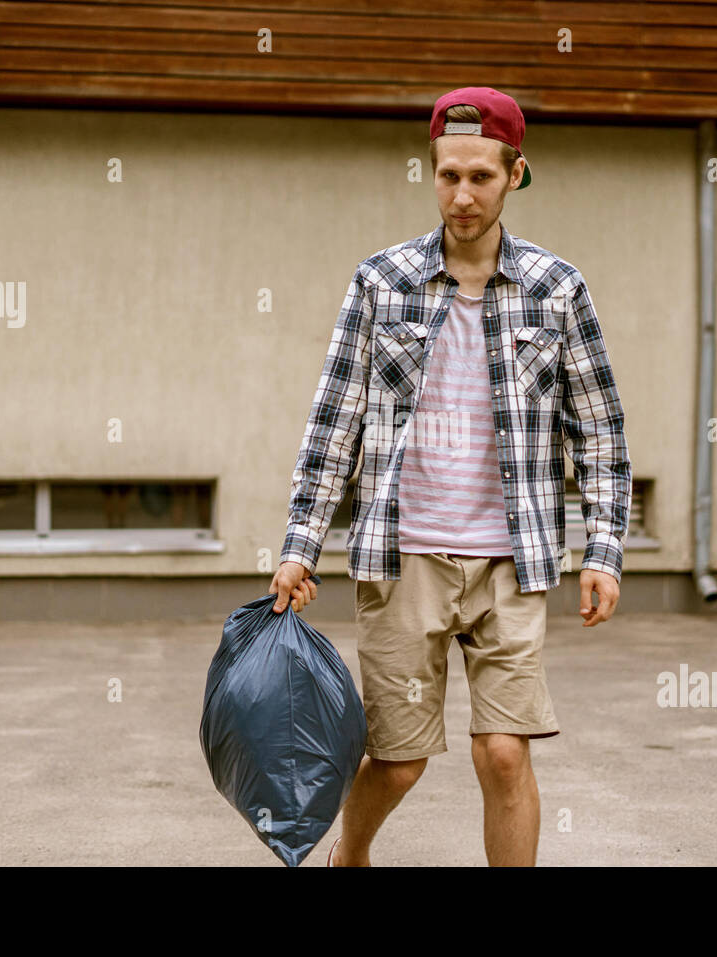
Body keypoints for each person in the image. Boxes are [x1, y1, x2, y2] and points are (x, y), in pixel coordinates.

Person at [269, 87, 632, 866]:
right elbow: (335, 422)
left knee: (505, 752)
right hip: (405, 560)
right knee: (399, 758)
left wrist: (604, 549)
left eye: (481, 177)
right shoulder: (380, 282)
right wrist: (300, 542)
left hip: (513, 558)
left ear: (516, 175)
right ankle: (351, 853)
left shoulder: (557, 289)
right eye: (447, 176)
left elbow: (599, 431)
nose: (462, 195)